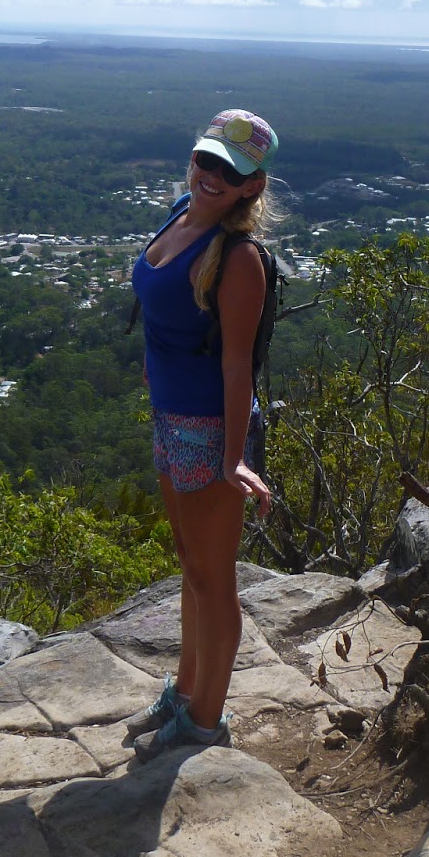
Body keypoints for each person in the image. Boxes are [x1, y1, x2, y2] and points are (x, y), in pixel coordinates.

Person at [126, 107, 276, 761]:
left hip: (211, 429)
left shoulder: (239, 258)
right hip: (171, 420)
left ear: (252, 185)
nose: (210, 175)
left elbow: (238, 362)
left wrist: (234, 456)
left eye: (229, 170)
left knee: (215, 578)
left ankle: (206, 720)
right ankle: (184, 693)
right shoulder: (182, 217)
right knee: (192, 568)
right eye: (205, 160)